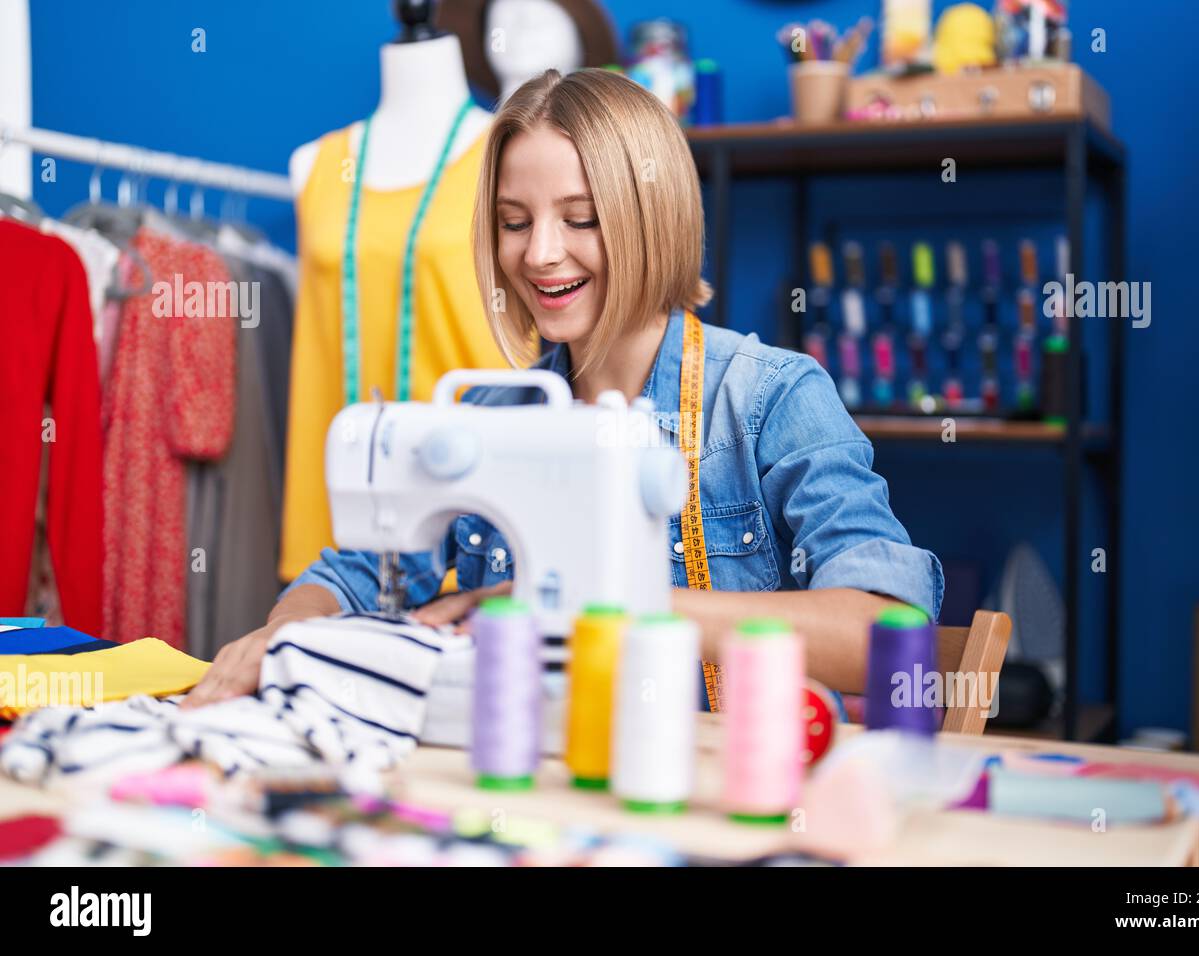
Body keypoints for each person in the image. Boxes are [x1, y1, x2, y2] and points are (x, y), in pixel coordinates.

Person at [182, 68, 942, 709]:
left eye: (580, 218)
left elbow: (892, 643)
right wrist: (277, 638)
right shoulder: (493, 419)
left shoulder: (768, 400)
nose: (541, 254)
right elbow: (356, 575)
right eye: (514, 222)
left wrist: (592, 606)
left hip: (719, 799)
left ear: (653, 215)